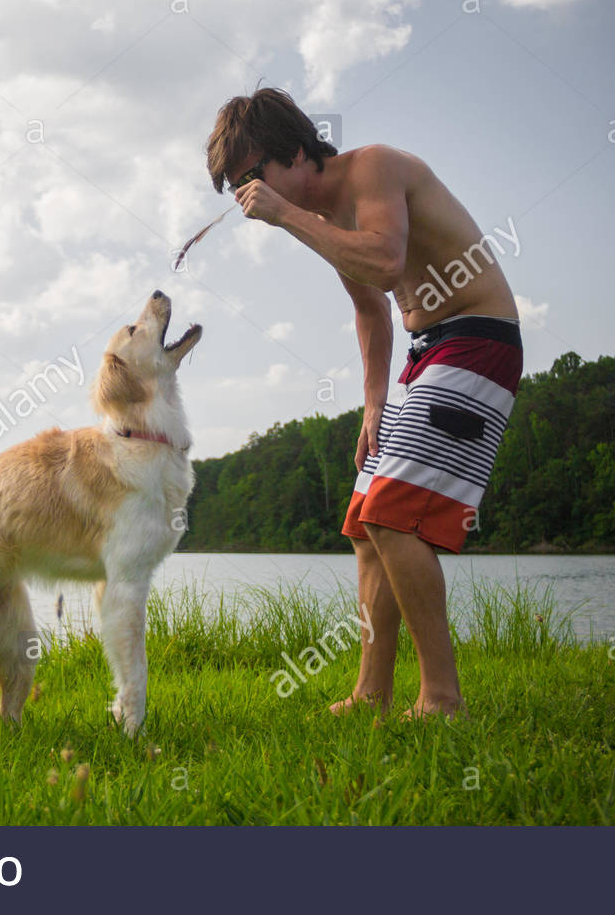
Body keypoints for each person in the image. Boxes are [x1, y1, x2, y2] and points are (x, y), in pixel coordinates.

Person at [205, 88, 523, 720]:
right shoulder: (317, 215)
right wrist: (375, 402)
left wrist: (290, 218)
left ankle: (441, 698)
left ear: (295, 153)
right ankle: (372, 692)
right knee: (363, 526)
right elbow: (371, 309)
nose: (247, 197)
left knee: (392, 515)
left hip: (478, 338)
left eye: (249, 177)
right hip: (424, 352)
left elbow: (385, 261)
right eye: (235, 186)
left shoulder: (374, 167)